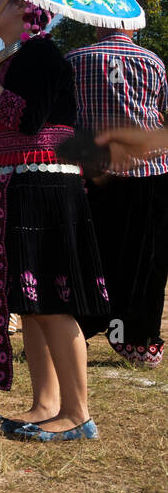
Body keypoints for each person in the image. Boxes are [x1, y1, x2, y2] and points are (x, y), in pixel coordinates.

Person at [0, 0, 108, 439]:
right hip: (14, 182)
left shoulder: (42, 56)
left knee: (53, 301)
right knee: (31, 301)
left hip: (43, 182)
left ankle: (78, 414)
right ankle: (46, 403)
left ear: (23, 6)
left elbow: (30, 119)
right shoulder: (11, 60)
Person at [68, 26, 168, 369]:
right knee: (145, 263)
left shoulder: (75, 59)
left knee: (87, 257)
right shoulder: (153, 61)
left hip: (94, 172)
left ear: (97, 23)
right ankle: (138, 342)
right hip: (149, 171)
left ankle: (75, 331)